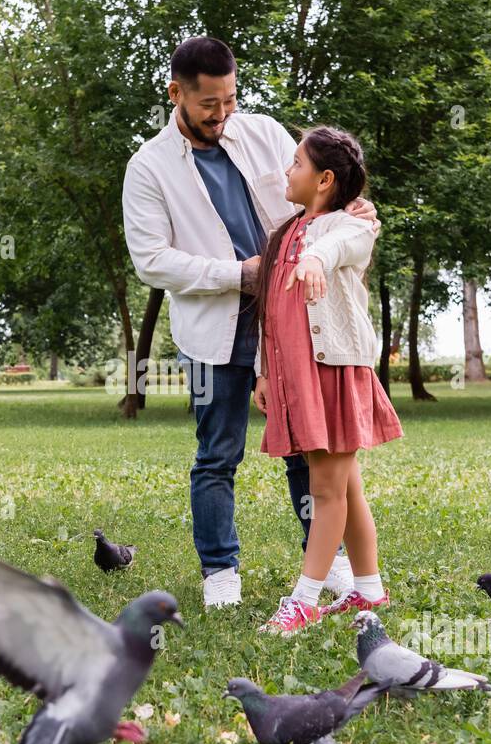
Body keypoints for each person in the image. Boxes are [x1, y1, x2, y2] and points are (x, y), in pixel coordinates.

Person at [123, 37, 380, 609]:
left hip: (291, 324)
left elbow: (318, 193)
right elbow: (151, 261)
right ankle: (220, 571)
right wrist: (237, 274)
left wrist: (351, 212)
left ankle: (330, 559)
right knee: (217, 453)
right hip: (213, 328)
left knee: (305, 448)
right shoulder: (148, 168)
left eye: (230, 99)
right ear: (176, 94)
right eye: (210, 104)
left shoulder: (263, 132)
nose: (223, 114)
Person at [252, 126, 404, 635]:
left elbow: (341, 244)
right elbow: (271, 312)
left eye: (296, 163)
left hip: (335, 372)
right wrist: (265, 372)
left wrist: (316, 257)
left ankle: (305, 600)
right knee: (347, 486)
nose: (286, 171)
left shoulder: (353, 226)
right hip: (300, 376)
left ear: (325, 179)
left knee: (326, 490)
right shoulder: (286, 233)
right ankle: (369, 587)